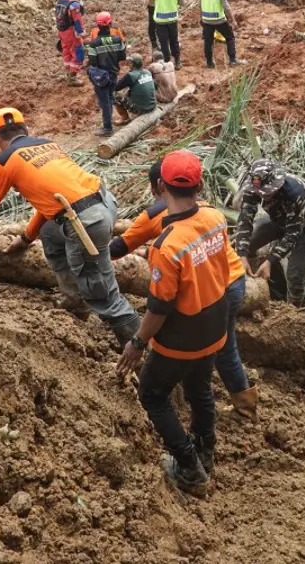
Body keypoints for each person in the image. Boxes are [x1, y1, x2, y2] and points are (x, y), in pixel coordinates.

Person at [0, 108, 141, 343]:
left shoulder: (5, 161)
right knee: (50, 233)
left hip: (85, 222)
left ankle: (139, 349)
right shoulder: (48, 144)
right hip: (104, 203)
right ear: (26, 130)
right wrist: (26, 238)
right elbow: (53, 205)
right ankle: (75, 300)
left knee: (103, 294)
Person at [116, 150, 232, 497]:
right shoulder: (215, 217)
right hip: (216, 323)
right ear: (201, 185)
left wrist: (137, 343)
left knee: (151, 394)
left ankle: (189, 468)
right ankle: (205, 452)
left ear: (160, 185)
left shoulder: (167, 246)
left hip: (182, 335)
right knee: (199, 390)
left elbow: (159, 308)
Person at [110, 160, 257, 419]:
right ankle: (235, 402)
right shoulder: (204, 209)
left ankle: (241, 409)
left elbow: (120, 247)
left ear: (158, 187)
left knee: (215, 345)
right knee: (220, 345)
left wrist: (92, 251)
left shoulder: (155, 214)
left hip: (214, 286)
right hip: (231, 279)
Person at [233, 159, 305, 306]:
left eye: (268, 193)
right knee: (248, 245)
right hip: (278, 219)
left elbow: (293, 234)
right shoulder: (252, 187)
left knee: (294, 274)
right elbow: (245, 220)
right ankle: (250, 274)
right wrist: (242, 255)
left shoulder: (295, 193)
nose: (264, 196)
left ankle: (292, 311)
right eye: (261, 193)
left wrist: (271, 261)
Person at [84, 11, 127, 137]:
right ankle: (111, 121)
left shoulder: (94, 43)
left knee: (105, 101)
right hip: (113, 73)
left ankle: (107, 128)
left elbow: (92, 61)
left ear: (98, 26)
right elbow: (122, 56)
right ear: (110, 24)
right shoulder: (117, 40)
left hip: (101, 76)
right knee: (109, 97)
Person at [200, 0, 241, 69]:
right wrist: (233, 20)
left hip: (206, 19)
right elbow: (226, 7)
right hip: (219, 19)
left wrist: (201, 17)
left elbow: (200, 4)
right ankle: (232, 59)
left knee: (208, 41)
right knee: (230, 37)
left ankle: (209, 62)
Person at [149, 0, 183, 69]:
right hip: (172, 19)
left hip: (160, 20)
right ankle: (177, 62)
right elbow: (182, 2)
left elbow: (150, 2)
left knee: (163, 42)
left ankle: (168, 62)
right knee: (174, 40)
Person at [54, 0, 86, 85]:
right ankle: (73, 78)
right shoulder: (74, 5)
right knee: (78, 52)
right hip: (71, 32)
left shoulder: (60, 1)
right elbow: (77, 21)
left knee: (66, 51)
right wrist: (82, 34)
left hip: (62, 31)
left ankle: (68, 73)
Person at [114, 54, 157, 122]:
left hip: (141, 109)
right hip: (152, 106)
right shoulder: (147, 72)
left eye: (129, 62)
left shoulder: (131, 75)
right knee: (131, 88)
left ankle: (125, 118)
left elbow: (116, 87)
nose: (128, 63)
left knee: (113, 94)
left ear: (132, 64)